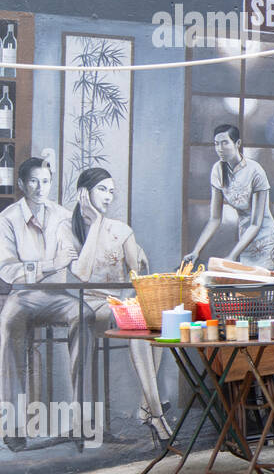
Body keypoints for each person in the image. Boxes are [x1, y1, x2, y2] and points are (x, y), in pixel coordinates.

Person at [63, 168, 172, 446]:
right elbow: (83, 274)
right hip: (85, 305)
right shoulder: (67, 229)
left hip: (118, 305)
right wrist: (97, 222)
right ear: (83, 194)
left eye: (112, 191)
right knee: (135, 323)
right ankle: (155, 413)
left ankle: (148, 408)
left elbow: (138, 274)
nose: (109, 197)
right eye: (102, 189)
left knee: (156, 322)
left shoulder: (121, 230)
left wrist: (139, 257)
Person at [0, 157, 81, 448]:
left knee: (84, 315)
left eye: (45, 181)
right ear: (21, 184)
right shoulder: (7, 219)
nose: (40, 187)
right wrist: (49, 264)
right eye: (33, 181)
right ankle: (14, 426)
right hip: (22, 295)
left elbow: (75, 261)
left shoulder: (63, 215)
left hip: (58, 296)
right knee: (8, 325)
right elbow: (8, 270)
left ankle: (79, 418)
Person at [181, 123, 274, 271]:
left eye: (225, 143)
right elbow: (215, 219)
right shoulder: (217, 170)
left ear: (237, 143)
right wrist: (196, 251)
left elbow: (256, 224)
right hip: (244, 240)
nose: (220, 149)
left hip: (266, 239)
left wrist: (232, 255)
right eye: (216, 144)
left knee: (264, 286)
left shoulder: (255, 171)